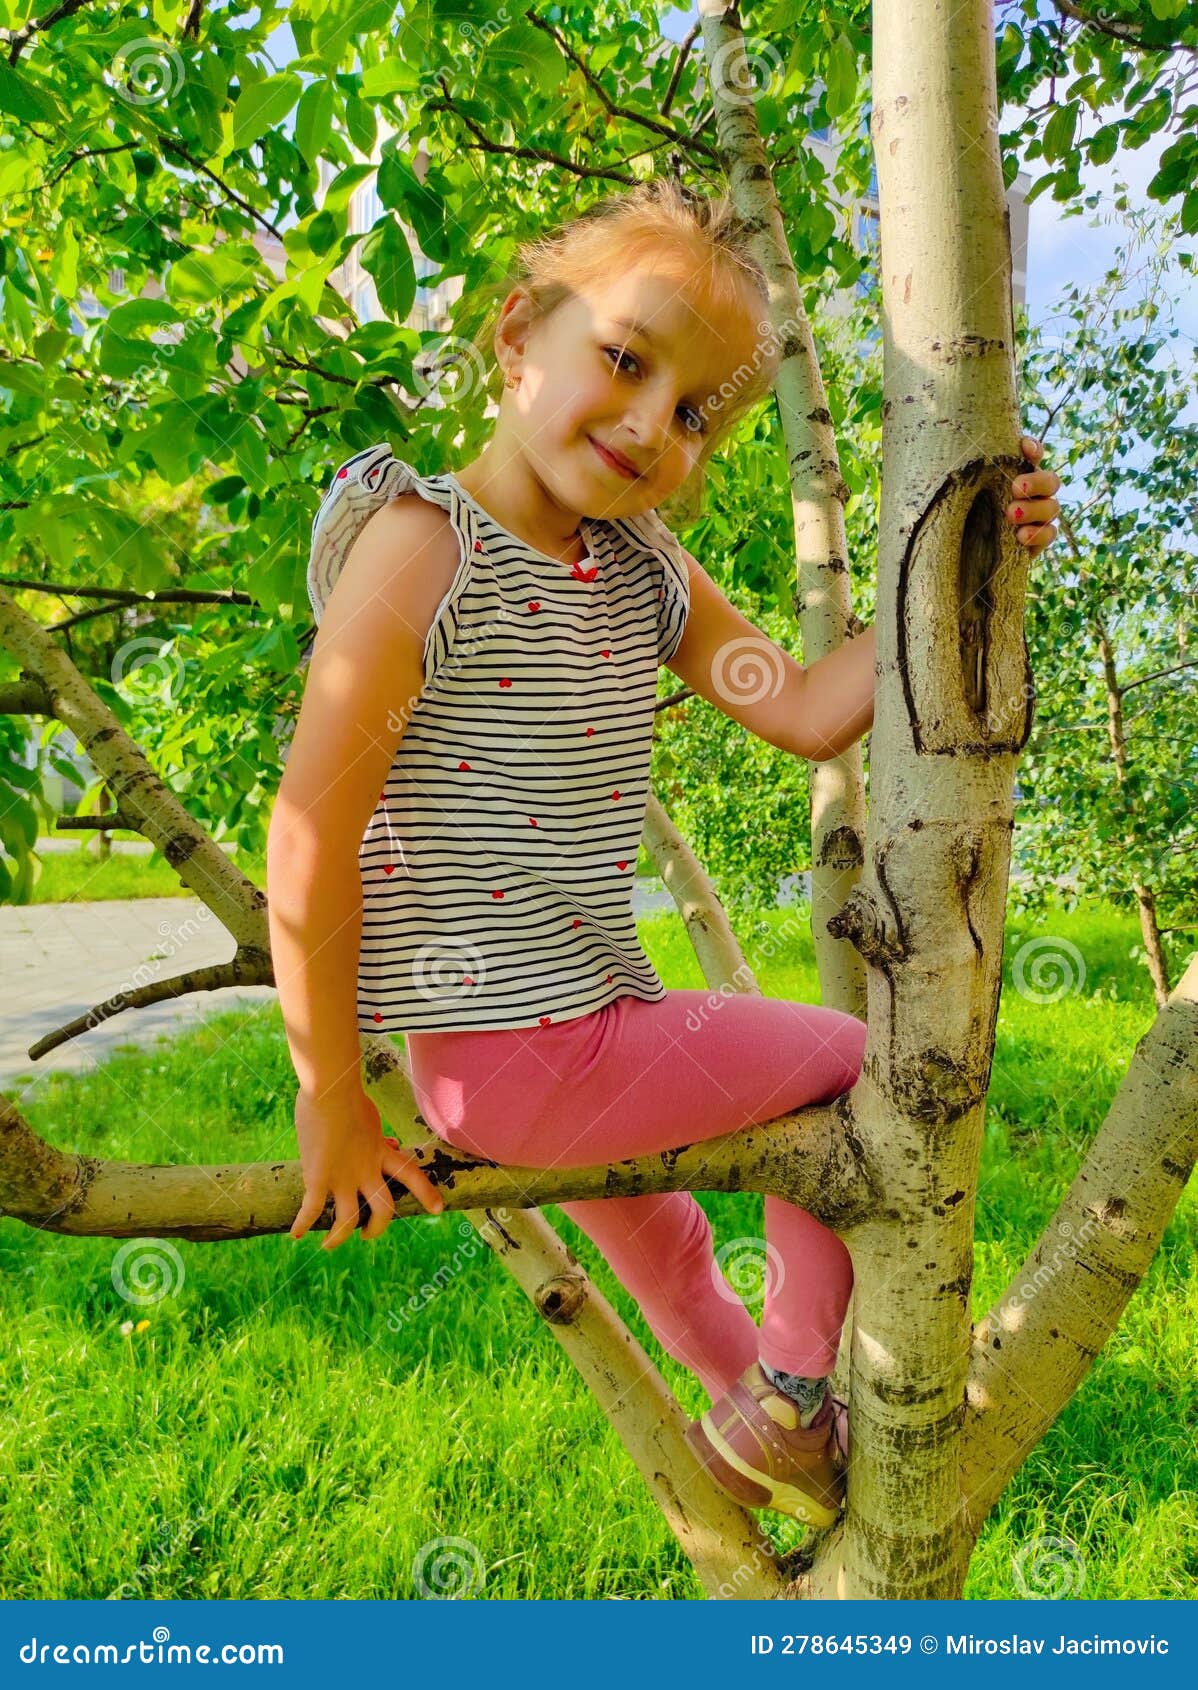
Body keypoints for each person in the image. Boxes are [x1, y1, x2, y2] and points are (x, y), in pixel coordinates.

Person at [267, 179, 1063, 1528]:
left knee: (670, 1243)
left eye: (695, 412)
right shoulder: (418, 545)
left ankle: (754, 1426)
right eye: (624, 361)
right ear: (519, 334)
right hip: (505, 1048)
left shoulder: (641, 567)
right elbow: (311, 827)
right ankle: (798, 1389)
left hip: (594, 1020)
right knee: (856, 1062)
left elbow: (803, 705)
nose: (649, 426)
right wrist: (329, 1095)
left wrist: (964, 567)